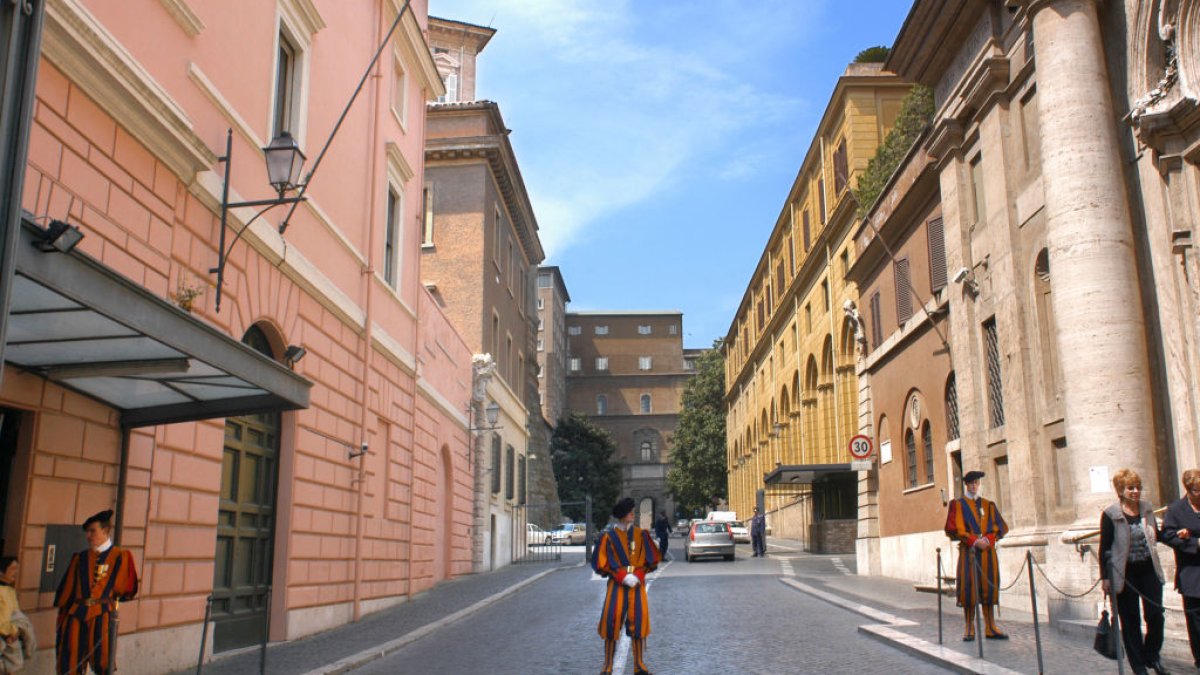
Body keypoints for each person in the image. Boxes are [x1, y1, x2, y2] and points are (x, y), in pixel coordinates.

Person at [54, 509, 140, 675]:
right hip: (76, 614)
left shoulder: (120, 556)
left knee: (103, 661)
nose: (88, 535)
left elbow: (125, 589)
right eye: (87, 532)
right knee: (71, 660)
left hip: (103, 614)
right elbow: (67, 590)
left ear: (105, 531)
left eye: (92, 531)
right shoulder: (79, 558)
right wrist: (63, 615)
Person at [1101, 468, 1169, 675]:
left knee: (1156, 615)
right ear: (1121, 490)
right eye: (1131, 488)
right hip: (1125, 573)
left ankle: (1151, 655)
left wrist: (1178, 533)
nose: (1135, 491)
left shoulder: (1147, 509)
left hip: (1148, 569)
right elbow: (1104, 547)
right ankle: (1139, 667)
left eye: (1138, 487)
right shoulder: (1111, 514)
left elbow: (1157, 534)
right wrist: (1105, 577)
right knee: (1131, 621)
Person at [595, 497, 660, 675]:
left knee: (638, 624)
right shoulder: (609, 537)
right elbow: (602, 563)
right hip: (617, 586)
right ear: (622, 515)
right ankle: (607, 665)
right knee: (611, 623)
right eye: (629, 512)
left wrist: (638, 575)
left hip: (637, 586)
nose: (632, 514)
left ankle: (639, 665)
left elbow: (651, 560)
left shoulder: (641, 535)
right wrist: (622, 576)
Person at [944, 470, 1008, 641]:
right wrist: (973, 541)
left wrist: (988, 539)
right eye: (971, 483)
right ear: (966, 485)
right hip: (969, 553)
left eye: (976, 483)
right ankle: (969, 627)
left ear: (978, 484)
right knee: (968, 589)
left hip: (987, 553)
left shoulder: (988, 505)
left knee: (989, 588)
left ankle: (990, 626)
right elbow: (952, 529)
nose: (973, 486)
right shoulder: (957, 505)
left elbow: (1000, 527)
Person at [1162, 468, 1200, 671]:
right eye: (1197, 490)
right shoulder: (1176, 510)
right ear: (1188, 490)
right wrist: (1194, 543)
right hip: (1192, 574)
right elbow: (1168, 536)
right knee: (1196, 622)